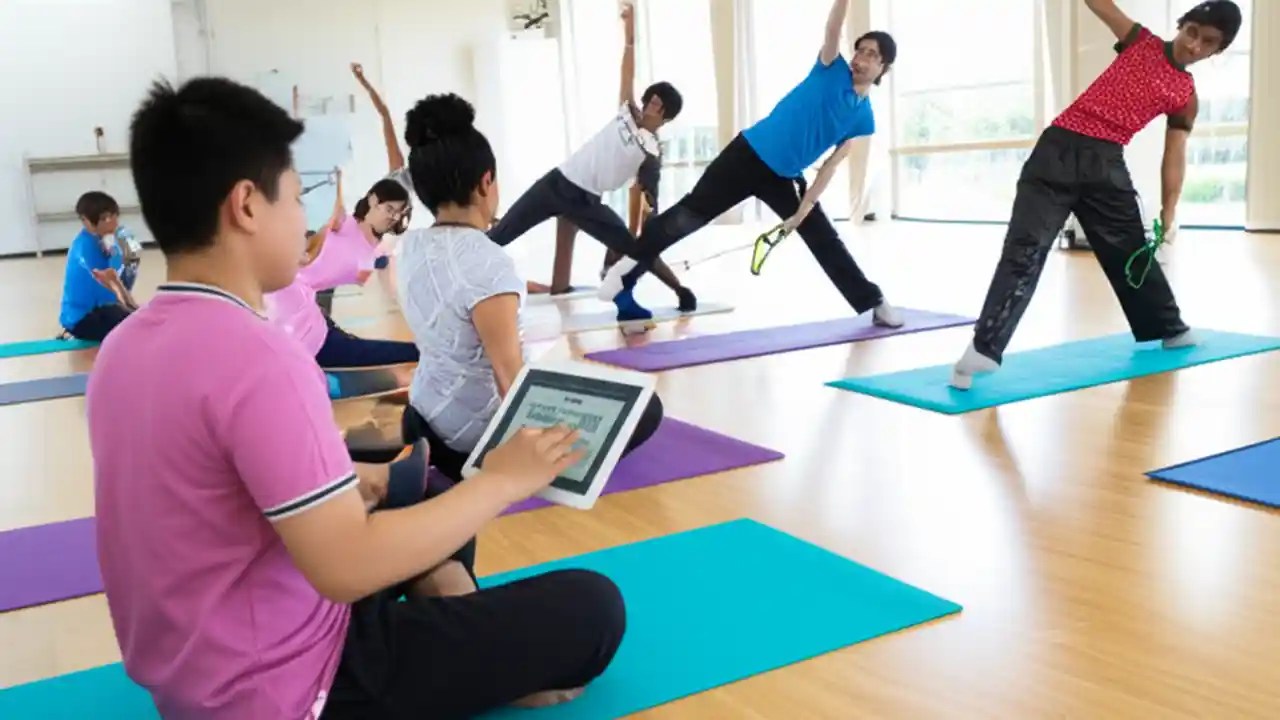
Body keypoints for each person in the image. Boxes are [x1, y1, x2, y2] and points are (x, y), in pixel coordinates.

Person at [88, 75, 624, 720]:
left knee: (413, 488)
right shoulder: (263, 356)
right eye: (299, 196)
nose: (309, 220)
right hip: (284, 683)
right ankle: (473, 656)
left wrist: (353, 479)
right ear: (247, 206)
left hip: (188, 665)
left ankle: (457, 613)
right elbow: (345, 568)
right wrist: (502, 482)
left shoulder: (124, 347)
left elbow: (197, 498)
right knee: (593, 608)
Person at [949, 0, 1242, 389]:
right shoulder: (1141, 41)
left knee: (1130, 251)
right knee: (1026, 250)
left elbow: (1174, 154)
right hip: (1056, 152)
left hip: (1106, 163)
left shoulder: (1185, 96)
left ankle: (1168, 327)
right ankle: (984, 348)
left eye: (1207, 43)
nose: (1194, 46)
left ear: (1216, 51)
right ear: (1182, 25)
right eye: (1192, 32)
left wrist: (1170, 208)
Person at [394, 92, 666, 482]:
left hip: (421, 420)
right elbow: (510, 380)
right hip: (469, 444)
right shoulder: (488, 263)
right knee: (646, 407)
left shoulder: (411, 246)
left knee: (574, 380)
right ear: (486, 182)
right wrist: (530, 463)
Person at [599, 0, 903, 329]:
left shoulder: (863, 118)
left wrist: (802, 212)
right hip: (745, 156)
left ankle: (873, 301)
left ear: (883, 68)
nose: (861, 59)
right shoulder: (831, 68)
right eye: (860, 51)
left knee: (823, 237)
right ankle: (622, 274)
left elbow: (831, 165)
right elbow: (832, 27)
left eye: (872, 55)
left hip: (783, 177)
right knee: (685, 218)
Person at [487, 4, 693, 309]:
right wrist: (629, 33)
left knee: (633, 246)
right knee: (501, 234)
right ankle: (452, 273)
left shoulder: (651, 151)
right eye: (651, 100)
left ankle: (680, 290)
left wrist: (646, 222)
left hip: (586, 202)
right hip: (556, 183)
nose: (651, 107)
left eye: (658, 106)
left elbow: (648, 198)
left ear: (666, 117)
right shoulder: (627, 112)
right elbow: (627, 70)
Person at [263, 166, 419, 368]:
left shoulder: (377, 247)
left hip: (310, 314)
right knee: (365, 353)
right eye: (390, 210)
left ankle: (418, 352)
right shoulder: (342, 223)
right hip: (301, 321)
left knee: (360, 350)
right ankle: (419, 352)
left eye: (398, 214)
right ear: (372, 201)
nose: (393, 217)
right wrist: (337, 181)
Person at [59, 191, 139, 341]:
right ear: (86, 221)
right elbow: (111, 290)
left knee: (139, 320)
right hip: (82, 318)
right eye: (103, 219)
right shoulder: (86, 247)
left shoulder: (105, 241)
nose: (111, 223)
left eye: (114, 216)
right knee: (137, 329)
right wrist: (134, 310)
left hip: (101, 308)